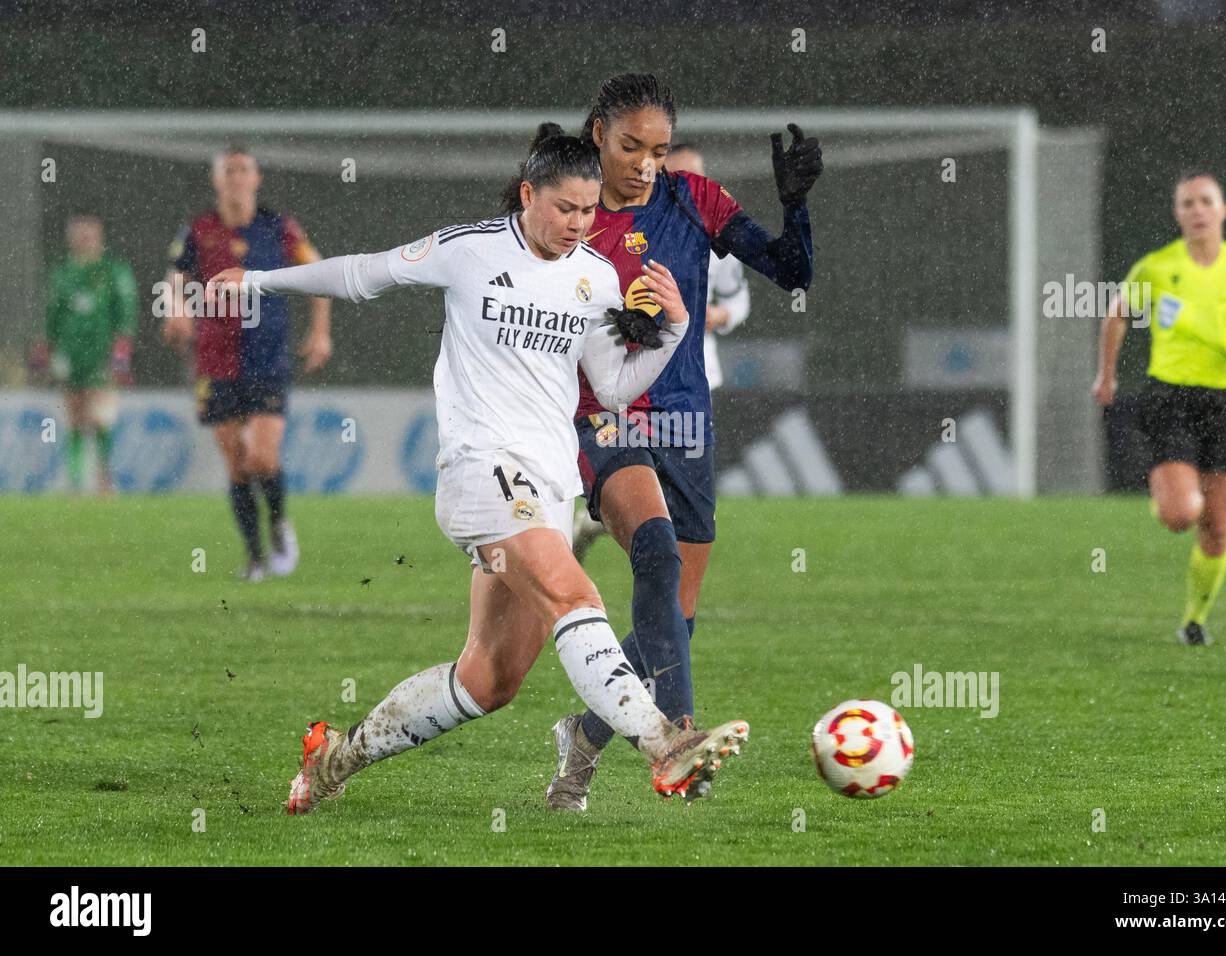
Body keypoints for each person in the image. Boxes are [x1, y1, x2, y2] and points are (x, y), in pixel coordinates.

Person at [205, 126, 749, 814]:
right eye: (564, 209)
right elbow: (362, 273)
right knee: (575, 597)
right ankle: (664, 744)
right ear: (528, 194)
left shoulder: (596, 275)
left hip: (549, 484)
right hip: (481, 469)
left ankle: (333, 757)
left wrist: (671, 330)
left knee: (489, 679)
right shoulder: (470, 250)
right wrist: (259, 280)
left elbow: (611, 385)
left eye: (588, 211)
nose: (578, 225)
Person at [547, 73, 820, 811]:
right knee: (658, 556)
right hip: (605, 417)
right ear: (598, 132)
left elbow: (792, 272)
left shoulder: (692, 201)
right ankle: (680, 739)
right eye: (631, 145)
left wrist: (795, 207)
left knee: (673, 624)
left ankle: (581, 740)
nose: (644, 163)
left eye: (658, 150)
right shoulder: (566, 211)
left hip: (687, 422)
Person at [1092, 169, 1226, 646]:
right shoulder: (1157, 268)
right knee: (1183, 513)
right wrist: (1107, 375)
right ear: (1178, 214)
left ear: (1223, 210)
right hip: (1170, 398)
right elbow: (1116, 315)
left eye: (1206, 201)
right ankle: (1170, 496)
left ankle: (1194, 620)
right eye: (1188, 203)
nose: (1198, 210)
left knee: (1217, 531)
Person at [570, 141, 751, 561]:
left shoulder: (712, 238)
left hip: (689, 377)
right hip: (627, 376)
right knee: (634, 472)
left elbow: (738, 301)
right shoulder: (622, 231)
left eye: (698, 176)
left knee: (670, 494)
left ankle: (601, 527)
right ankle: (612, 526)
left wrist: (715, 317)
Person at [162, 146, 333, 581]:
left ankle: (278, 523)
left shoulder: (279, 228)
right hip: (215, 359)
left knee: (260, 456)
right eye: (229, 171)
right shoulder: (199, 229)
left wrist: (320, 331)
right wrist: (176, 307)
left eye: (244, 170)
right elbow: (177, 277)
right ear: (217, 180)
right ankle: (255, 558)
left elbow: (319, 275)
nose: (237, 178)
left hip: (266, 357)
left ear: (256, 179)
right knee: (236, 464)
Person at [38, 215, 138, 494]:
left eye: (90, 233)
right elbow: (52, 317)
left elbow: (125, 314)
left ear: (100, 236)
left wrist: (120, 354)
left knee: (101, 417)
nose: (85, 238)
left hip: (101, 354)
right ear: (71, 237)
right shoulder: (62, 274)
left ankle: (105, 479)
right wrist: (50, 350)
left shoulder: (113, 271)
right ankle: (75, 481)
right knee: (74, 416)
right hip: (71, 355)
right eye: (79, 233)